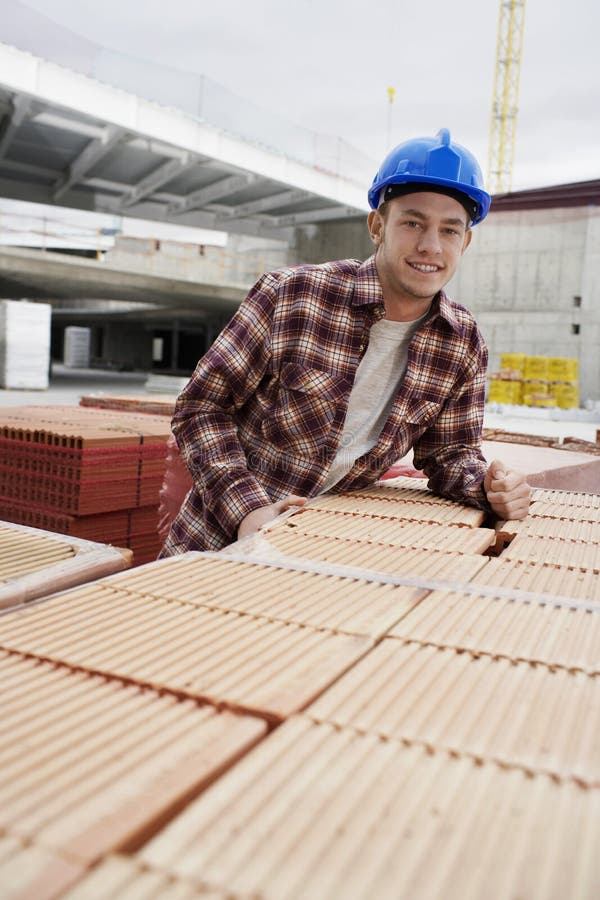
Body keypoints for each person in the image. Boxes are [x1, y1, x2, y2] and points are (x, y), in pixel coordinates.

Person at [159, 128, 530, 557]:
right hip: (217, 541)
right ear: (377, 226)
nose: (430, 246)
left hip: (326, 551)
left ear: (465, 242)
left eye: (449, 230)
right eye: (413, 223)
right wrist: (249, 510)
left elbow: (450, 453)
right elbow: (201, 407)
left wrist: (488, 486)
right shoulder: (292, 296)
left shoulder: (461, 343)